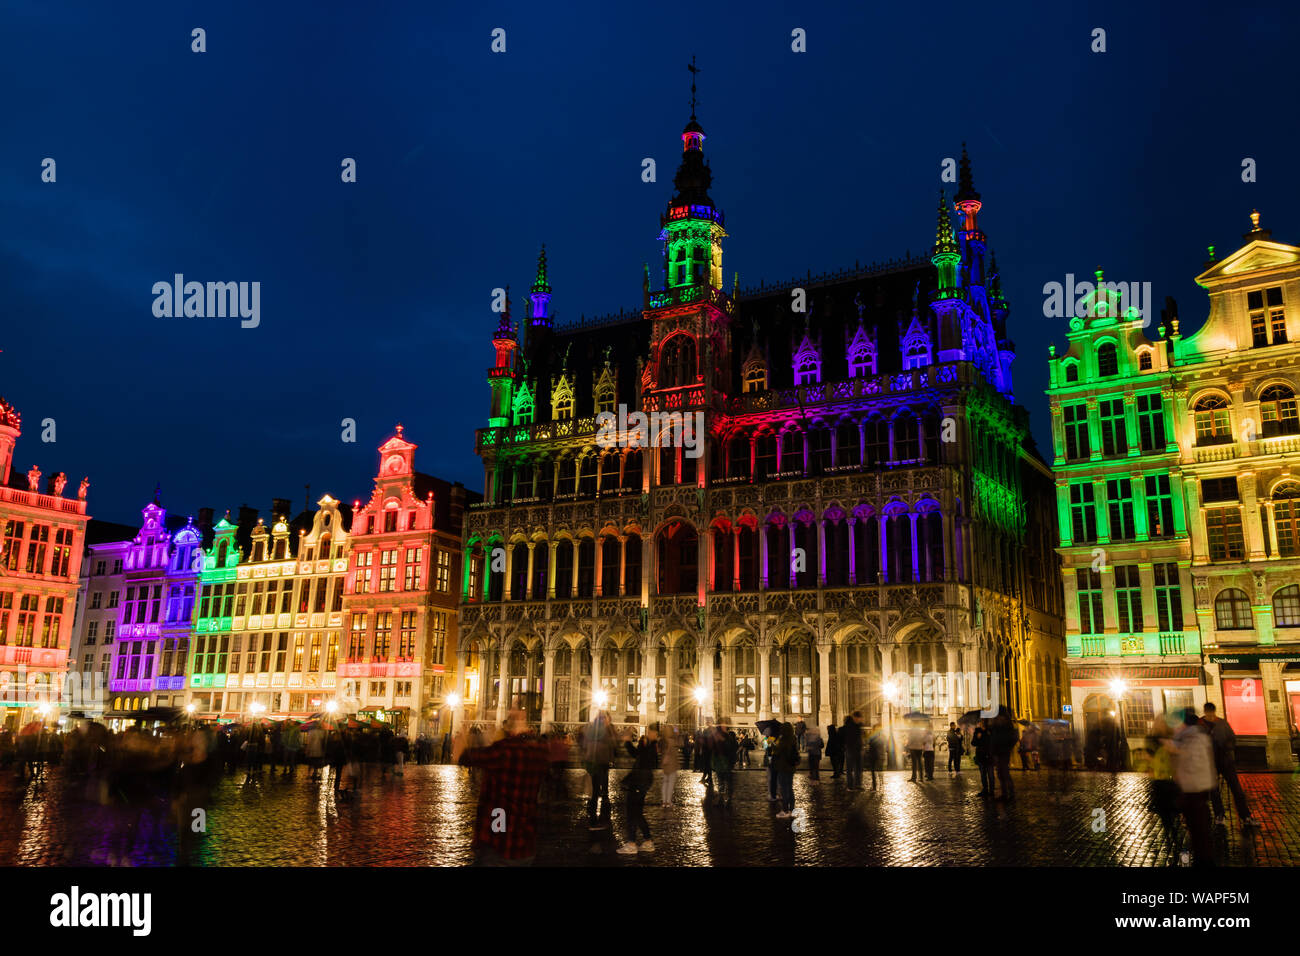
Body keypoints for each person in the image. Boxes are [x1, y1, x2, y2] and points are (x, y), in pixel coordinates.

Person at [454, 709, 550, 866]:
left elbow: (462, 756)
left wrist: (463, 731)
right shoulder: (540, 752)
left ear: (508, 726)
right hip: (526, 842)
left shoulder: (503, 751)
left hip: (499, 841)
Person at [1167, 707, 1215, 867]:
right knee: (1199, 827)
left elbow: (1191, 764)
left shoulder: (1187, 738)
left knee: (1197, 828)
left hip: (1192, 789)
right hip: (1201, 787)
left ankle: (1203, 859)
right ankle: (1203, 856)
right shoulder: (1200, 736)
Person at [1200, 703, 1257, 829]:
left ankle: (1245, 816)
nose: (1210, 716)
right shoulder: (1200, 725)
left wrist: (1228, 746)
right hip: (1209, 762)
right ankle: (1219, 815)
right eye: (1208, 713)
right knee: (1214, 791)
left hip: (1225, 760)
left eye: (1212, 713)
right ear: (1205, 712)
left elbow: (1232, 738)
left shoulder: (1222, 723)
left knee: (1236, 789)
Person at [618, 727, 659, 854]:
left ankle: (632, 843)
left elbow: (641, 759)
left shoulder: (651, 746)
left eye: (650, 732)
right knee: (637, 813)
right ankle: (647, 841)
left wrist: (628, 742)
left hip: (640, 781)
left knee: (632, 812)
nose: (647, 734)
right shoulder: (649, 745)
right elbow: (637, 755)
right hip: (641, 780)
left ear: (655, 734)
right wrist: (628, 742)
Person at [583, 712, 617, 829]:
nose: (609, 722)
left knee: (595, 791)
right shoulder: (602, 731)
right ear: (603, 720)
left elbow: (585, 743)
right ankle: (593, 820)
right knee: (595, 792)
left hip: (594, 762)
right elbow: (612, 742)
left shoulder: (593, 728)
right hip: (598, 762)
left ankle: (593, 818)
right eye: (608, 719)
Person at [990, 711, 1019, 801]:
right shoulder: (997, 727)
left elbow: (1012, 738)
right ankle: (1005, 793)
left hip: (1003, 753)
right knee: (1000, 774)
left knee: (1005, 773)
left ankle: (1010, 793)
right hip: (998, 753)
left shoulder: (1006, 727)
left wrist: (1006, 748)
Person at [772, 722, 799, 819]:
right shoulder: (793, 739)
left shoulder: (783, 740)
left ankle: (785, 810)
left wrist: (773, 744)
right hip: (791, 767)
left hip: (783, 767)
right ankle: (792, 810)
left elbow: (776, 751)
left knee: (784, 789)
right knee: (790, 788)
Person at [972, 720, 995, 797]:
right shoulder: (977, 731)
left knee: (991, 774)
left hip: (989, 756)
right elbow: (973, 743)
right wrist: (977, 738)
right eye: (980, 722)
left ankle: (992, 790)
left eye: (983, 722)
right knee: (983, 774)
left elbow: (993, 742)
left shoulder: (990, 731)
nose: (981, 724)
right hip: (981, 756)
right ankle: (985, 789)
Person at [841, 712, 863, 790]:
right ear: (855, 718)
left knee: (858, 768)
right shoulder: (849, 726)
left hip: (856, 749)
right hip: (850, 749)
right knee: (850, 768)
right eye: (859, 718)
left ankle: (857, 784)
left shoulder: (858, 726)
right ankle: (850, 785)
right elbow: (846, 738)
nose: (860, 719)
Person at [659, 726, 679, 806]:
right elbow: (680, 743)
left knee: (665, 783)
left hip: (665, 764)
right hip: (671, 764)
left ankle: (664, 801)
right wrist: (676, 730)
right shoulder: (672, 741)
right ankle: (668, 801)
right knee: (670, 783)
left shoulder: (662, 741)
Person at [866, 726, 886, 790]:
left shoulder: (873, 737)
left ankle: (877, 784)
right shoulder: (883, 737)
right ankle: (879, 784)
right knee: (878, 770)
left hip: (875, 755)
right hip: (877, 755)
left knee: (875, 771)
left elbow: (869, 745)